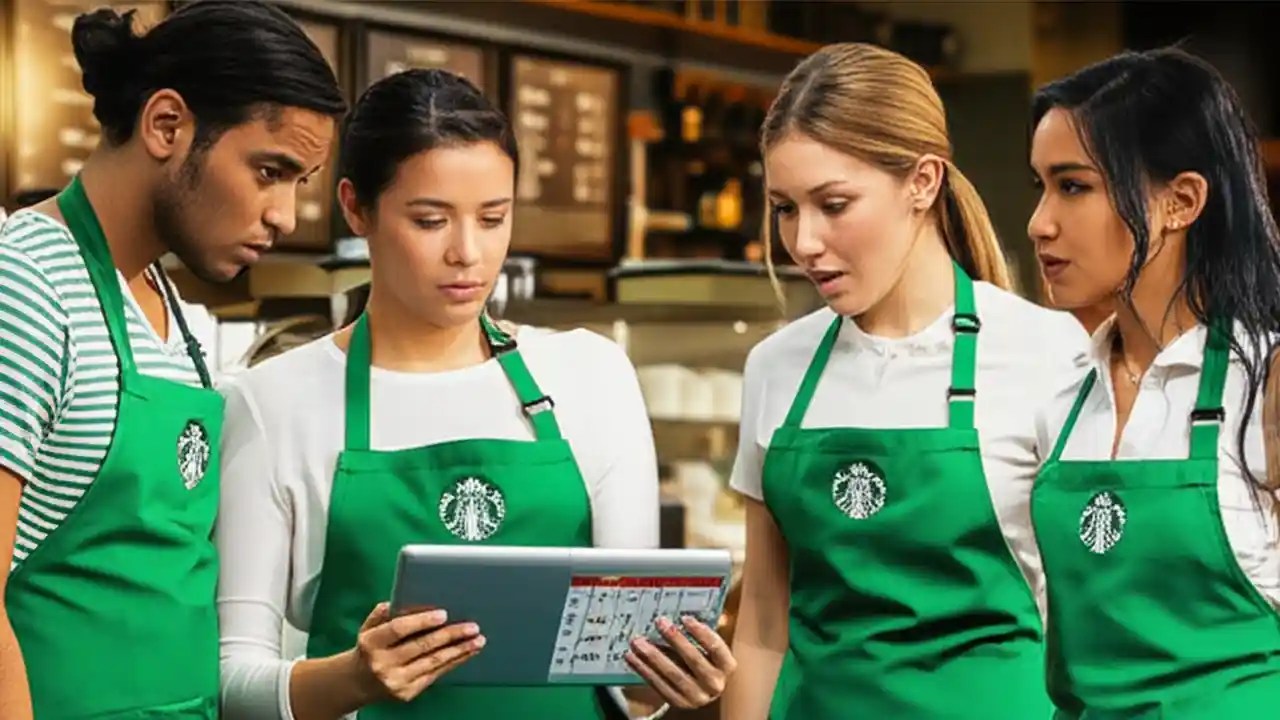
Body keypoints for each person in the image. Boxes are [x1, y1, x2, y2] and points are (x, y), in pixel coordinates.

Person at [216, 68, 736, 720]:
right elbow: (230, 681)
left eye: (494, 218)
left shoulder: (592, 374)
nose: (468, 254)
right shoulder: (271, 403)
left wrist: (662, 681)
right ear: (355, 208)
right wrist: (354, 678)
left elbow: (621, 674)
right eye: (430, 220)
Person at [720, 42, 1090, 720]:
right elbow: (764, 629)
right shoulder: (776, 367)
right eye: (784, 208)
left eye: (834, 204)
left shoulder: (1050, 354)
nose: (803, 241)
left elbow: (1090, 617)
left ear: (922, 181)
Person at [0, 2, 345, 718]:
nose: (284, 214)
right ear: (166, 125)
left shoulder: (164, 305)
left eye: (298, 183)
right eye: (269, 170)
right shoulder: (27, 286)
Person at [1028, 47, 1280, 717]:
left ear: (1181, 201)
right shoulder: (1063, 397)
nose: (1039, 222)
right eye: (1040, 186)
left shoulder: (1268, 386)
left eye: (1073, 186)